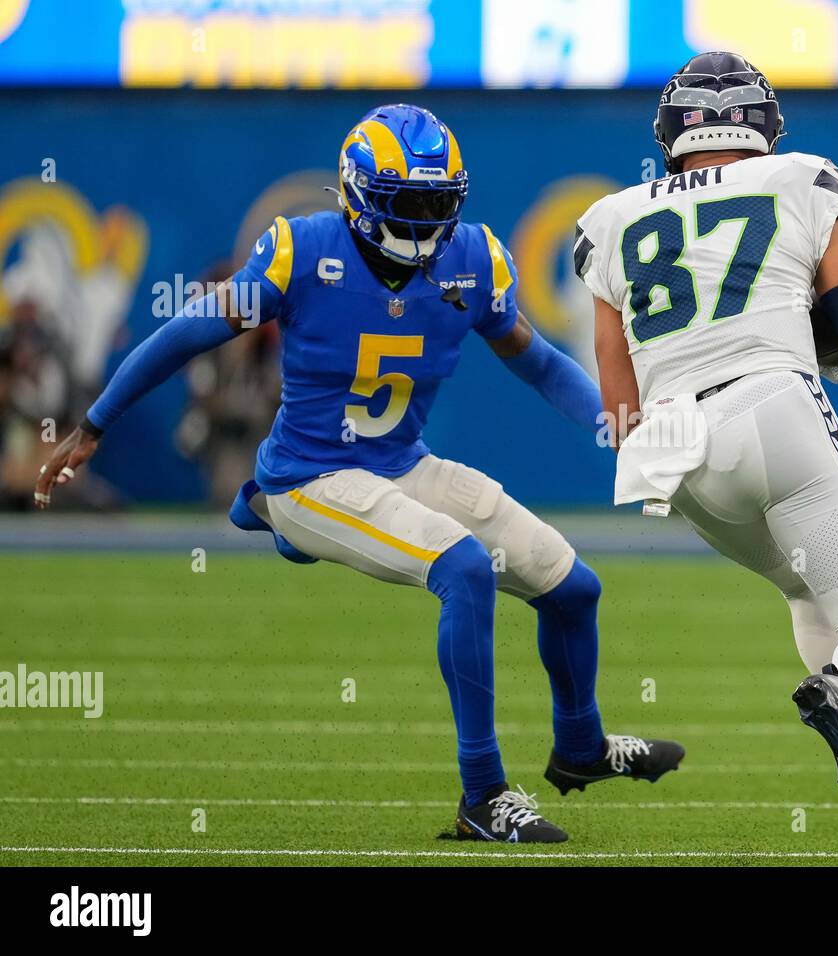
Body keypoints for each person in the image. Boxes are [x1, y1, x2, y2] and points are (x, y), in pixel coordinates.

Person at [35, 104, 683, 843]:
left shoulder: (473, 258)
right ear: (360, 196)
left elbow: (535, 360)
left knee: (571, 587)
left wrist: (617, 426)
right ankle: (484, 796)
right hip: (311, 476)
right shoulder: (300, 252)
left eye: (440, 203)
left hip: (401, 463)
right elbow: (187, 331)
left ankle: (580, 747)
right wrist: (94, 423)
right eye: (410, 205)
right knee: (464, 569)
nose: (427, 223)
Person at [578, 53, 838, 837]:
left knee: (809, 591)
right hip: (773, 407)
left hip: (669, 448)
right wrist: (810, 347)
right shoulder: (798, 177)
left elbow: (617, 407)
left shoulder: (611, 218)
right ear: (759, 127)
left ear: (672, 137)